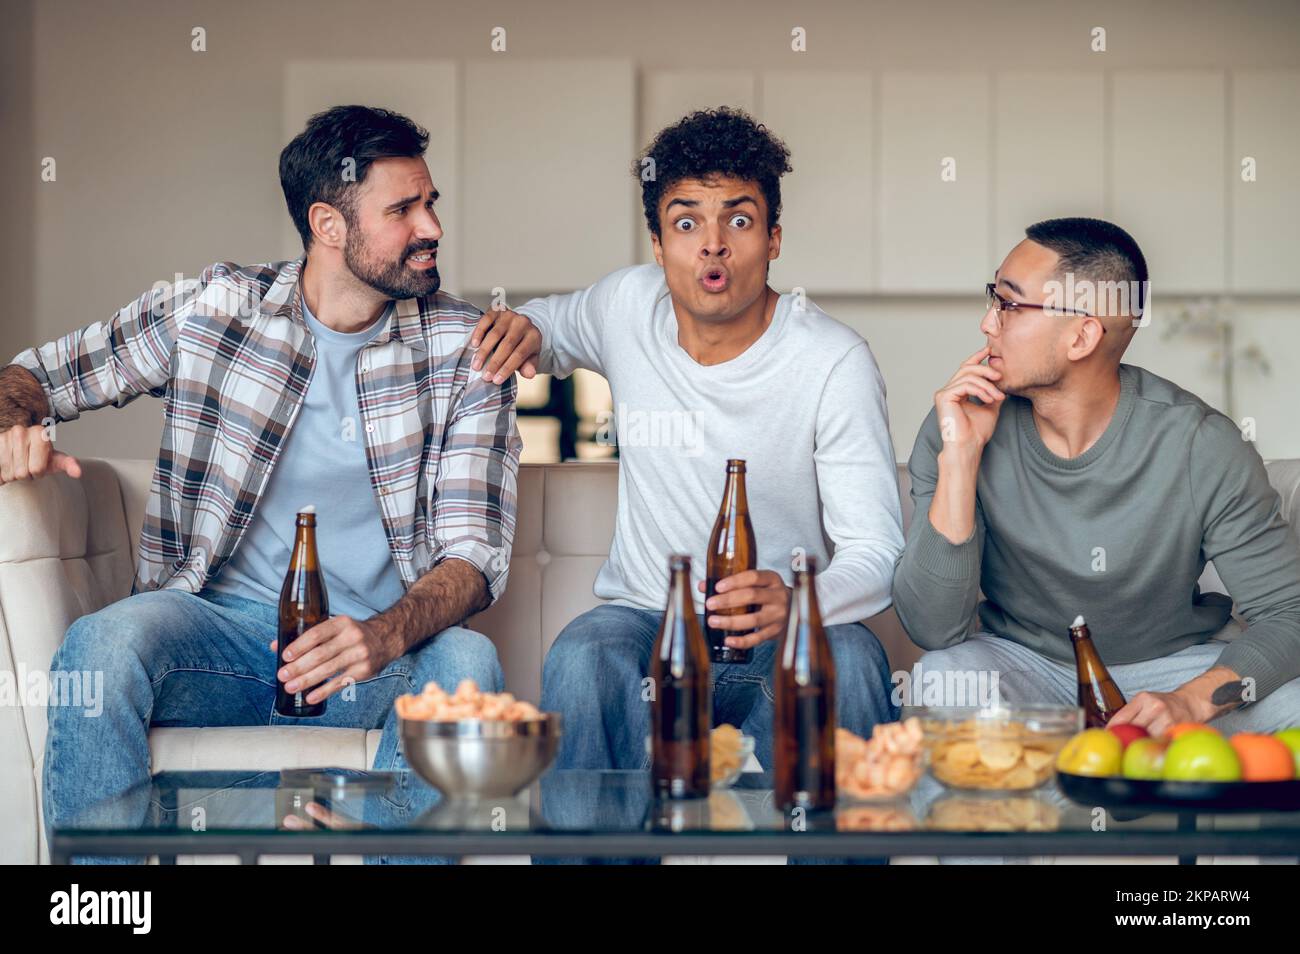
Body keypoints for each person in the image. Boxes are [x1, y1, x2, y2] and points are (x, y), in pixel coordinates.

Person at [0, 105, 522, 860]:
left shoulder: (466, 351)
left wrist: (380, 636)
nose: (431, 226)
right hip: (226, 642)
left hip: (380, 654)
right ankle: (105, 903)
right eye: (403, 209)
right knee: (104, 644)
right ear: (329, 225)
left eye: (430, 202)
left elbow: (475, 557)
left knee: (470, 666)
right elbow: (34, 378)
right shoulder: (215, 308)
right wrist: (14, 430)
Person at [471, 107, 904, 778]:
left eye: (738, 219)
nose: (712, 244)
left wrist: (796, 598)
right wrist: (523, 326)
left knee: (850, 661)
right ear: (657, 242)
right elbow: (548, 325)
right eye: (685, 222)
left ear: (774, 238)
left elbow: (876, 552)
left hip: (783, 633)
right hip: (646, 622)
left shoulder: (833, 360)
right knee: (584, 657)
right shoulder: (626, 306)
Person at [892, 217, 1300, 734]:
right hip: (1026, 669)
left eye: (1009, 304)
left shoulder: (1202, 444)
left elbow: (1290, 613)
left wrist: (1191, 702)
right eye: (993, 296)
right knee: (940, 680)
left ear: (1082, 336)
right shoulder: (958, 423)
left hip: (1172, 671)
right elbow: (933, 628)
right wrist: (961, 459)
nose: (988, 323)